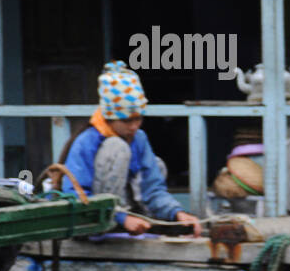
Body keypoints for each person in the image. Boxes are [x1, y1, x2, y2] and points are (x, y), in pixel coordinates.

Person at [63, 62, 202, 236]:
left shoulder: (139, 138)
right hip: (92, 221)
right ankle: (110, 224)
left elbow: (153, 189)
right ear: (110, 118)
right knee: (117, 147)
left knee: (157, 164)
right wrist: (120, 218)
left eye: (139, 119)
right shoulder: (86, 141)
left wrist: (177, 213)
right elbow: (76, 195)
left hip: (133, 218)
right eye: (127, 121)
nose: (135, 126)